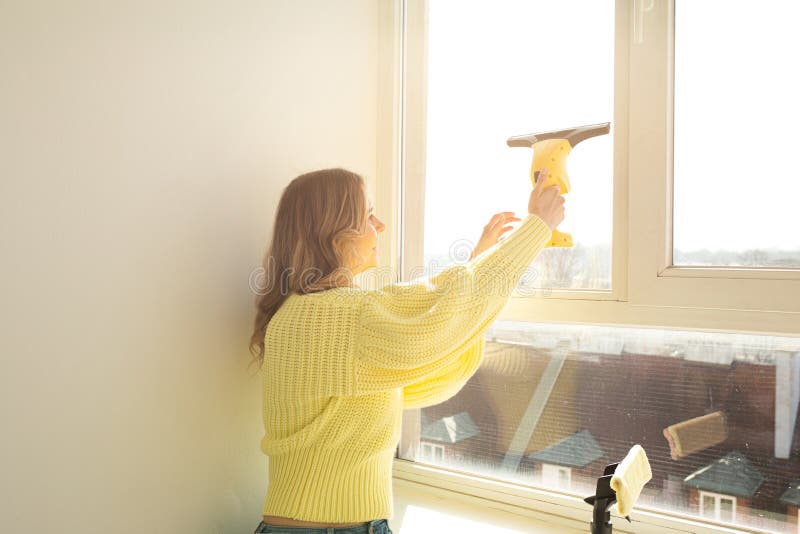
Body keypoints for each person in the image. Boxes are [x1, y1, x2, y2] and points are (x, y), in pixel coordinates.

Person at [249, 167, 564, 534]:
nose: (379, 225)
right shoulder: (331, 316)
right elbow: (435, 318)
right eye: (367, 215)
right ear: (334, 233)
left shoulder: (310, 317)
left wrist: (478, 265)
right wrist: (537, 227)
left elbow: (429, 374)